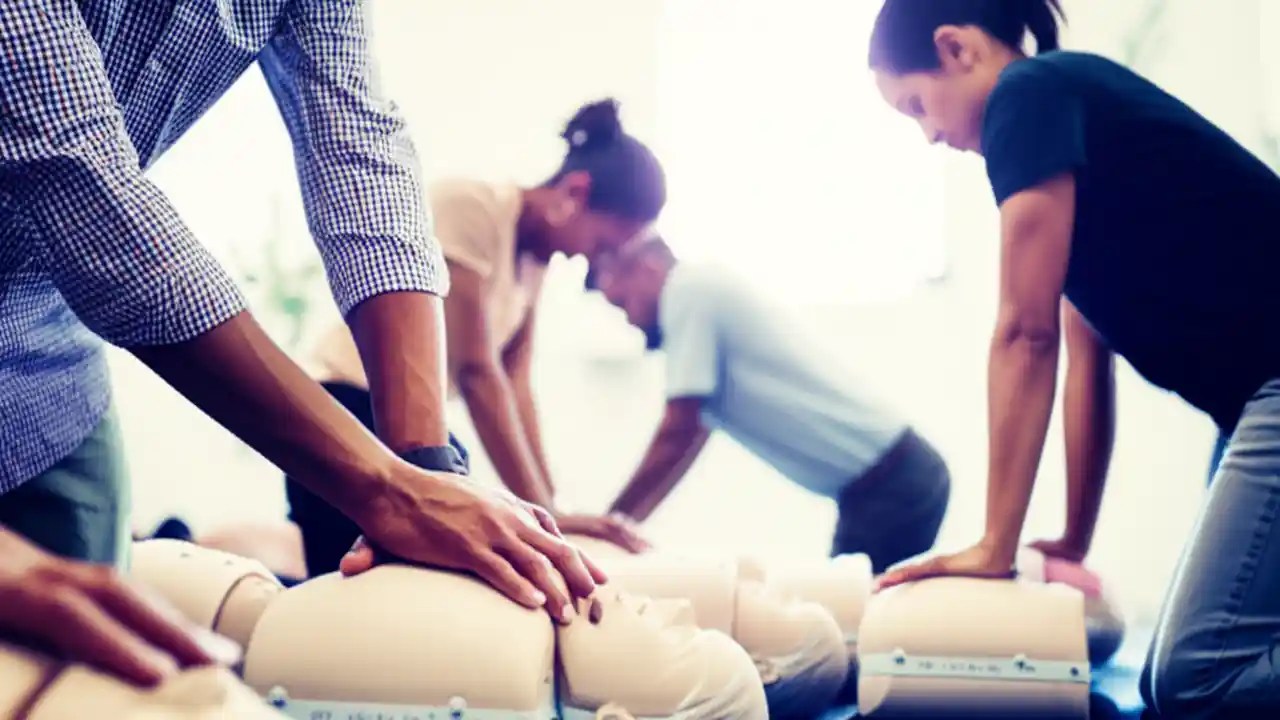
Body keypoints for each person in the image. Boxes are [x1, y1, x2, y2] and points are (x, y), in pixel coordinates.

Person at [0, 0, 601, 635]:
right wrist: (390, 493)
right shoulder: (482, 206)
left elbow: (360, 150)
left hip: (49, 369)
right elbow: (76, 179)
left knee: (85, 661)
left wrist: (427, 468)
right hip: (330, 395)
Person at [868, 0, 1280, 715]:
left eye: (915, 106)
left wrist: (993, 545)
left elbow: (1024, 335)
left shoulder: (1029, 97)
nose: (929, 134)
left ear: (956, 48)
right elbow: (1084, 358)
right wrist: (1072, 540)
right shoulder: (1067, 130)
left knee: (1196, 679)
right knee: (1164, 687)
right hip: (1254, 399)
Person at [293, 99, 664, 576]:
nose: (593, 261)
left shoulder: (535, 264)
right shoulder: (473, 206)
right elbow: (477, 372)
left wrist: (552, 510)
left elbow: (516, 385)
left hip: (398, 429)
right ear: (575, 191)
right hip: (345, 404)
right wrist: (549, 519)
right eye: (602, 245)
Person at [590, 236, 951, 573]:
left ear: (647, 268)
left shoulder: (689, 291)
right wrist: (621, 527)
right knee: (849, 625)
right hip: (886, 484)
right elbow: (690, 430)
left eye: (623, 304)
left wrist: (607, 528)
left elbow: (678, 429)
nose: (631, 321)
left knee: (846, 629)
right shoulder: (698, 296)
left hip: (893, 484)